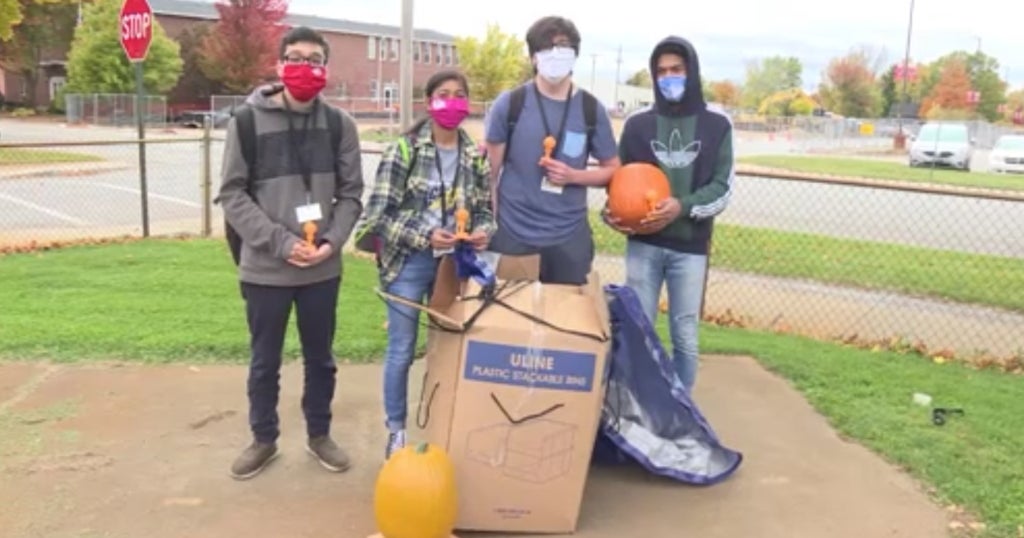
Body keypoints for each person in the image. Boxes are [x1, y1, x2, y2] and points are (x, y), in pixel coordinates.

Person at [215, 26, 364, 480]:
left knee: (321, 358)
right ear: (279, 66)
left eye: (315, 59)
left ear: (326, 69)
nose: (305, 67)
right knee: (265, 361)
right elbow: (233, 194)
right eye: (296, 58)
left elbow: (353, 194)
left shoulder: (341, 125)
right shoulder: (245, 121)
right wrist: (282, 243)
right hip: (265, 269)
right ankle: (264, 439)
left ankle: (320, 434)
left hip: (322, 269)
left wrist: (330, 242)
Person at [353, 70, 496, 459]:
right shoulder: (405, 150)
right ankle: (396, 431)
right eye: (443, 95)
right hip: (409, 262)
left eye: (459, 95)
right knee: (402, 348)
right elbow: (377, 216)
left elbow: (484, 209)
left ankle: (446, 425)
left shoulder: (474, 156)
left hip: (455, 264)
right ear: (429, 102)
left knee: (452, 347)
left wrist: (482, 231)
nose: (452, 102)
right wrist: (424, 235)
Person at [604, 36, 734, 391]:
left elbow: (722, 189)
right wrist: (611, 214)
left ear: (691, 72)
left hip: (689, 248)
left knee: (685, 334)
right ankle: (642, 403)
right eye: (661, 71)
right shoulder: (638, 125)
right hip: (643, 245)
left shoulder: (717, 125)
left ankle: (683, 408)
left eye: (676, 69)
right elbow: (620, 183)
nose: (669, 77)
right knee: (639, 327)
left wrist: (682, 206)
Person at [484, 16, 620, 285]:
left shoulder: (591, 109)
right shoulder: (510, 103)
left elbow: (613, 169)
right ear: (534, 57)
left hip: (568, 237)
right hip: (512, 233)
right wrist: (490, 226)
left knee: (565, 321)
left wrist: (574, 176)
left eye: (563, 48)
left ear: (575, 55)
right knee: (510, 321)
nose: (555, 56)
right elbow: (489, 174)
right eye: (546, 49)